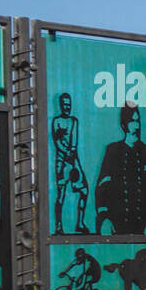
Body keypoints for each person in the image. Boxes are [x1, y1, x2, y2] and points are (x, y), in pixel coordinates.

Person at [95, 101, 146, 235]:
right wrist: (104, 219)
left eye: (138, 121)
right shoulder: (112, 151)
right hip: (116, 224)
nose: (136, 126)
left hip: (144, 227)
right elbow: (102, 188)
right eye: (132, 121)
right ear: (123, 124)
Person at [51, 92, 88, 234]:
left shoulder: (74, 121)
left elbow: (75, 139)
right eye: (64, 105)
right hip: (62, 162)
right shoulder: (56, 121)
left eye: (69, 105)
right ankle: (59, 226)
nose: (67, 107)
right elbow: (57, 141)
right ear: (60, 106)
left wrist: (72, 154)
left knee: (84, 190)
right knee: (61, 194)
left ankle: (80, 223)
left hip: (73, 161)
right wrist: (67, 153)